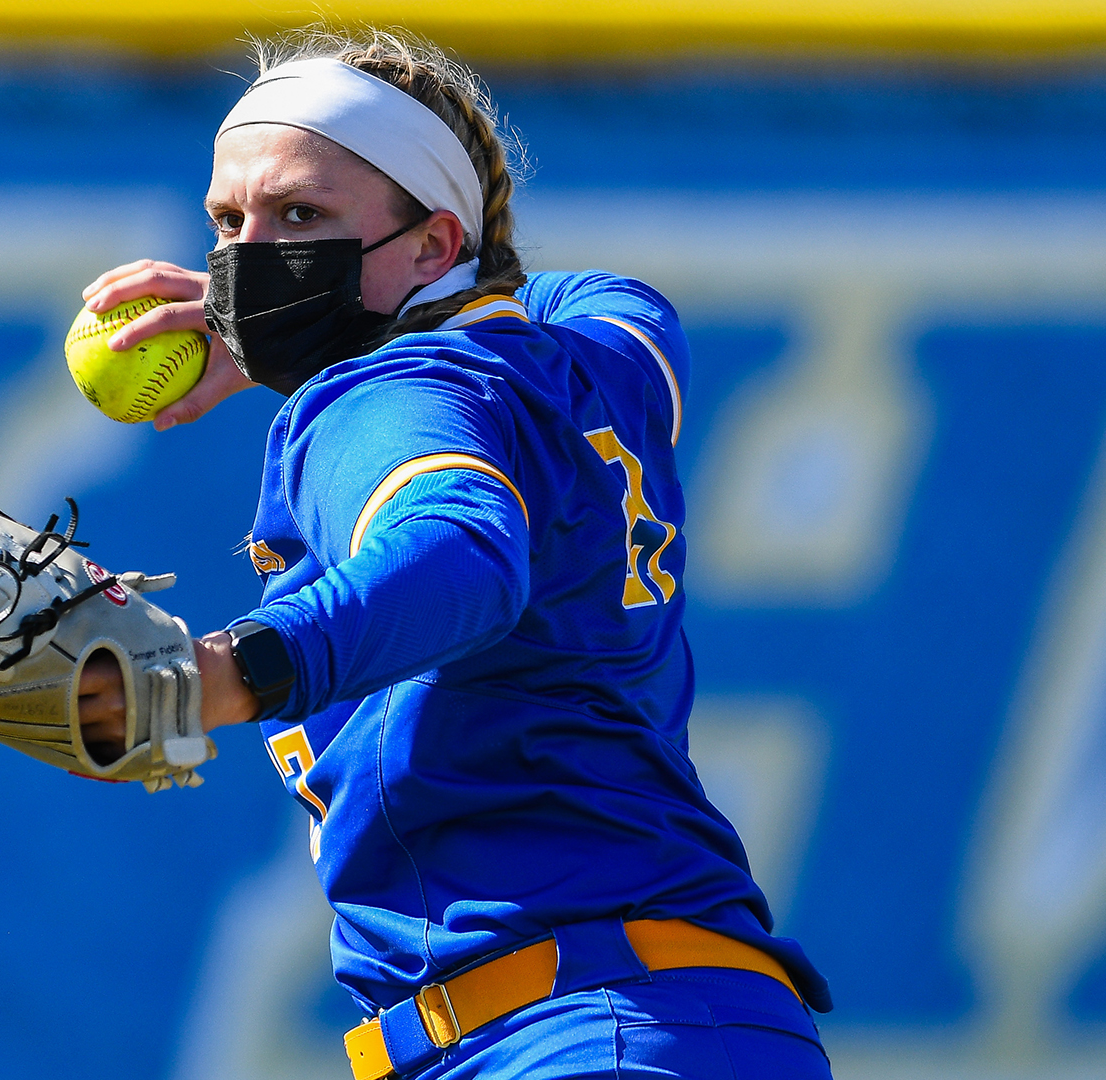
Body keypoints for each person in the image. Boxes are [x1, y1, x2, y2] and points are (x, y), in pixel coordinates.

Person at [73, 27, 835, 1080]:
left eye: (301, 216)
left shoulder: (379, 394)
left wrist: (218, 675)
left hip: (563, 1026)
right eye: (226, 221)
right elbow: (603, 299)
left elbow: (461, 552)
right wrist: (278, 323)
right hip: (700, 1015)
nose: (248, 258)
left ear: (433, 245)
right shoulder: (604, 352)